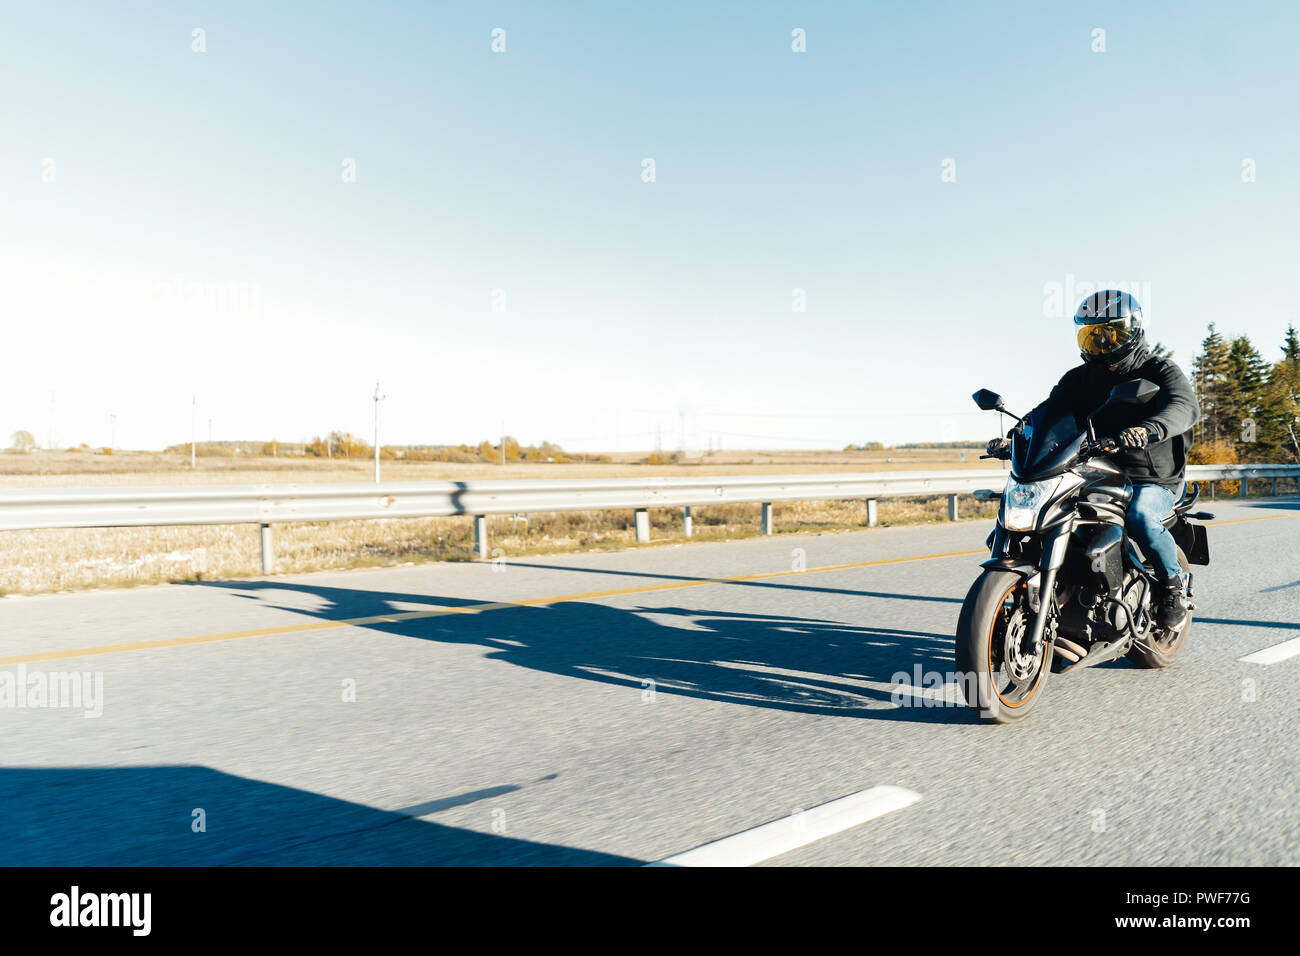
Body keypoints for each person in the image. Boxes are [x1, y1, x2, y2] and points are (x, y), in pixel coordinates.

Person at [986, 291, 1201, 628]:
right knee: (1042, 511)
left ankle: (1172, 588)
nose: (1102, 342)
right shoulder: (1080, 378)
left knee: (1142, 518)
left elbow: (1184, 408)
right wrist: (1015, 436)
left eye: (1111, 333)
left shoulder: (1160, 370)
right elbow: (1048, 412)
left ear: (1132, 329)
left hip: (1151, 476)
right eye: (1092, 334)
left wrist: (1147, 430)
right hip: (1095, 468)